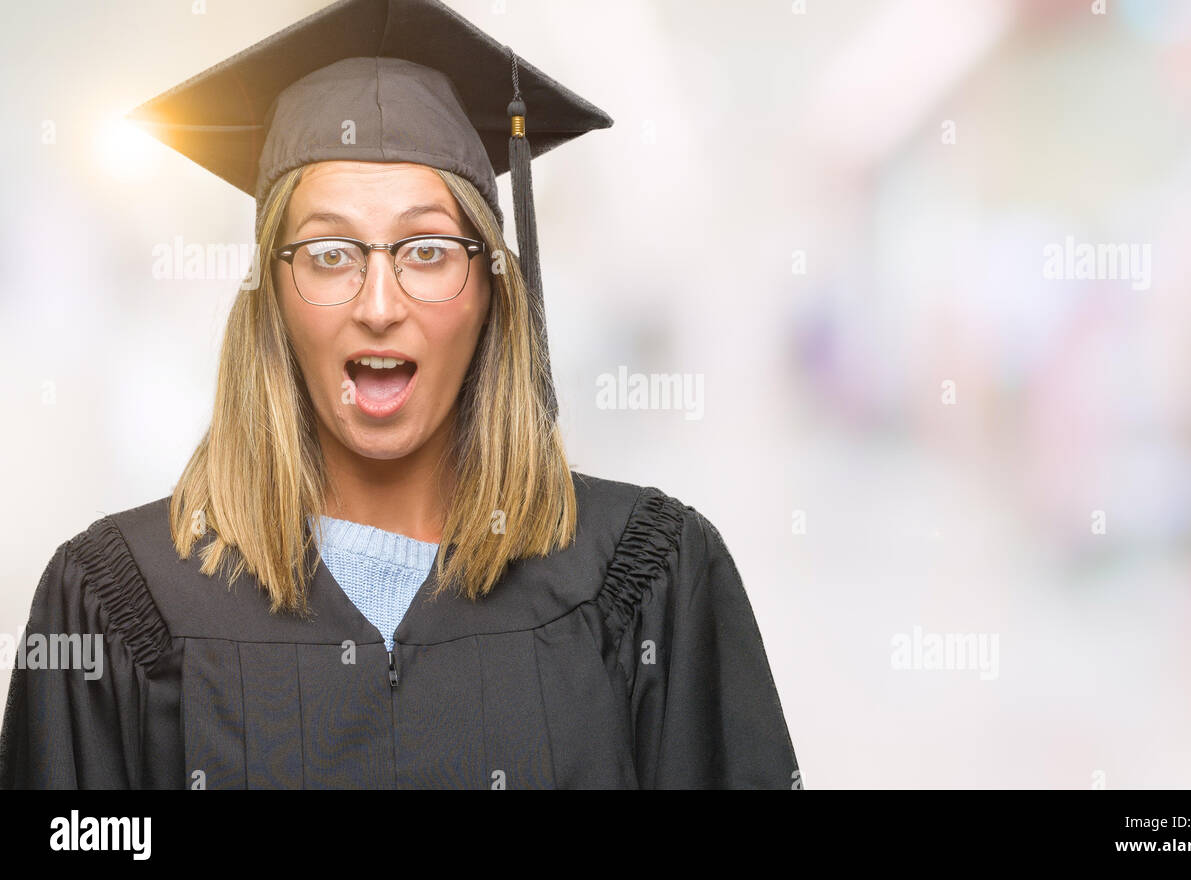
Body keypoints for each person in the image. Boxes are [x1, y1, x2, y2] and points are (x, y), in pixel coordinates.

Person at [0, 0, 800, 790]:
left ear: (492, 287)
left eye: (426, 250)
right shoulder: (114, 606)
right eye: (328, 253)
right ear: (270, 297)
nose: (379, 305)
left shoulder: (647, 582)